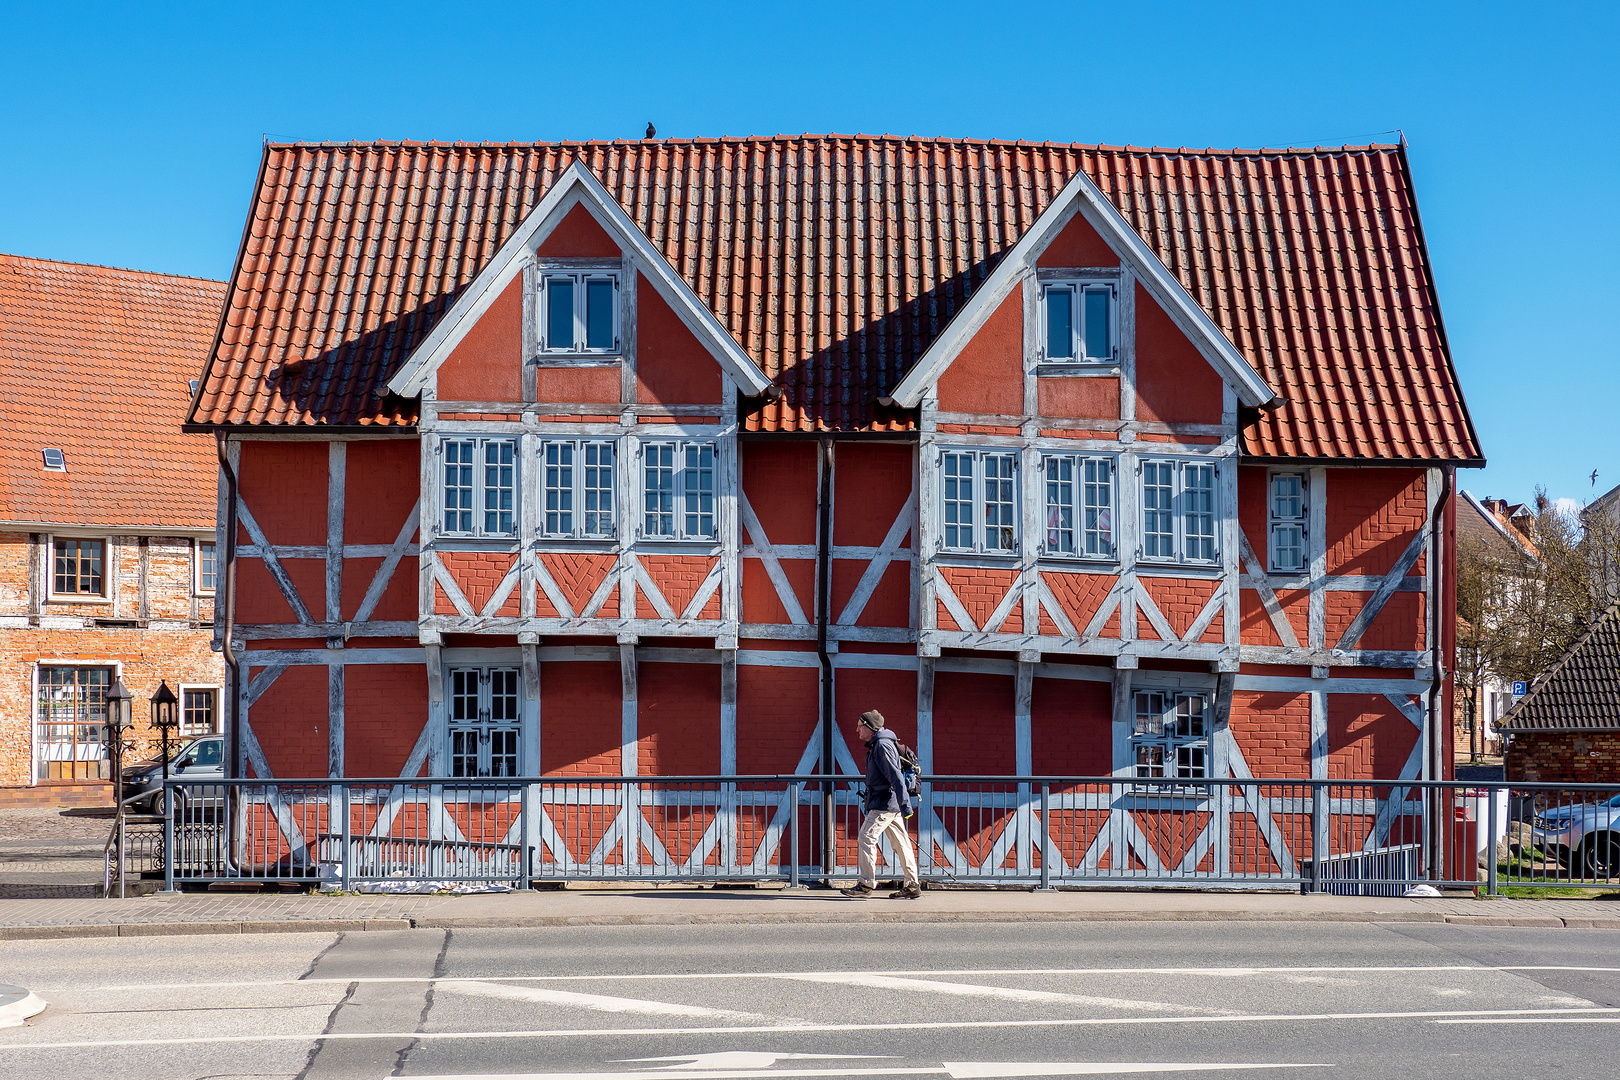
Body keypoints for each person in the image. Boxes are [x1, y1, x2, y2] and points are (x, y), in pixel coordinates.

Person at [841, 709, 922, 900]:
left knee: (865, 837)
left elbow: (895, 776)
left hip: (884, 803)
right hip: (887, 802)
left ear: (869, 728)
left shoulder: (882, 746)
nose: (856, 730)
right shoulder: (880, 744)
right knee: (901, 844)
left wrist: (906, 806)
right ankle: (912, 885)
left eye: (860, 726)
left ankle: (866, 884)